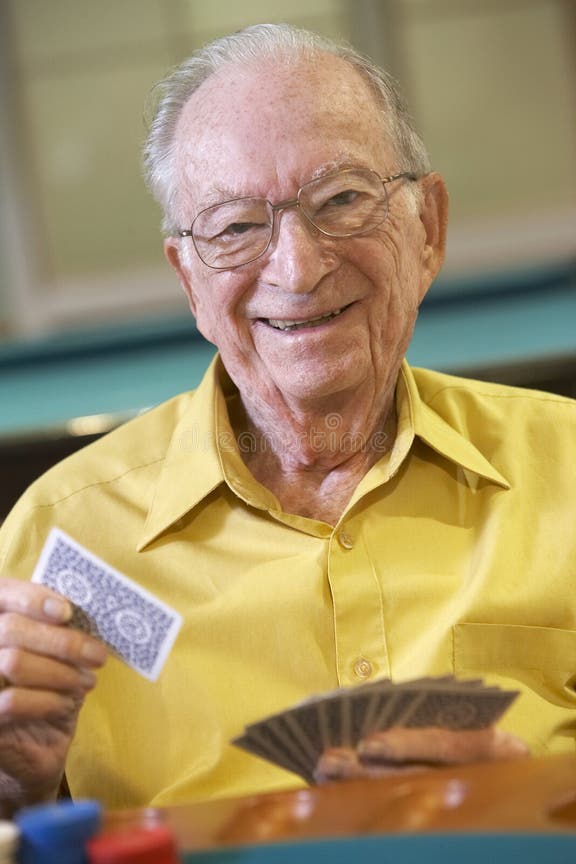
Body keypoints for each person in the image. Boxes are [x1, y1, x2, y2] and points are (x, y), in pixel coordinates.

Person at [0, 23, 574, 816]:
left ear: (428, 228)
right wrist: (13, 790)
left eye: (342, 200)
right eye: (236, 227)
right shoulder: (54, 541)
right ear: (190, 280)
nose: (298, 268)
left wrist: (544, 802)